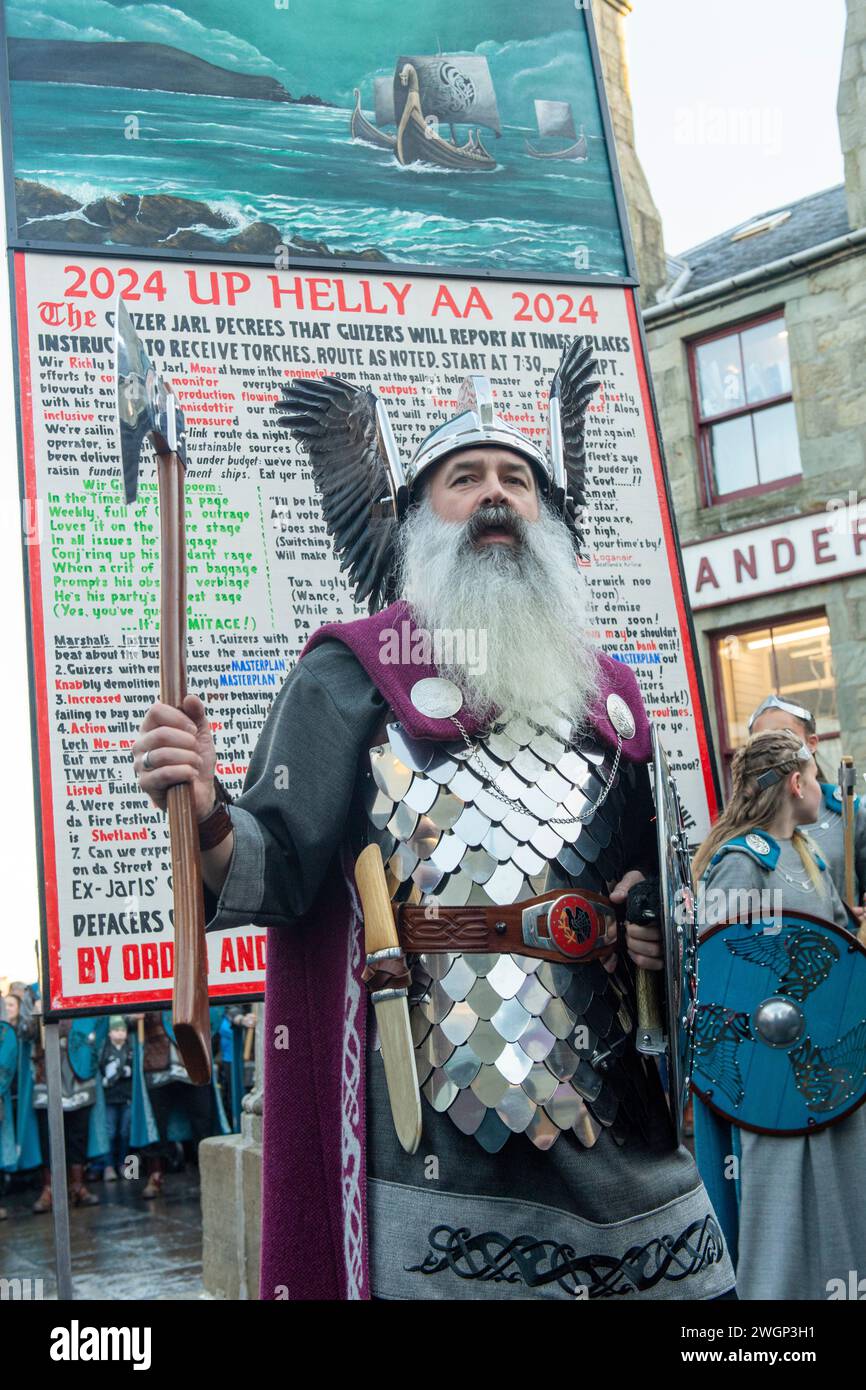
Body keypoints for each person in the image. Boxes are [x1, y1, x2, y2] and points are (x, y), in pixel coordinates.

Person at [132, 346, 735, 1301]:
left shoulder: (610, 697)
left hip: (618, 1114)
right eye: (465, 480)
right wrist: (205, 808)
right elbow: (276, 867)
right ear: (417, 520)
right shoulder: (351, 676)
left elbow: (649, 886)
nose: (496, 496)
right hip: (437, 1115)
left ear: (548, 516)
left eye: (516, 479)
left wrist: (652, 927)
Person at [692, 728, 866, 1299]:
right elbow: (719, 981)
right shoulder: (744, 863)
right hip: (772, 1082)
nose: (820, 789)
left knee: (839, 1211)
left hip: (826, 1068)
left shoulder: (804, 853)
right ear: (796, 783)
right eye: (814, 777)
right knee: (782, 1218)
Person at [748, 694, 866, 905]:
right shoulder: (743, 825)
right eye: (763, 740)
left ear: (811, 743)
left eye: (785, 736)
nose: (776, 748)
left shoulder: (849, 810)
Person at [100, 1016, 132, 1181]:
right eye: (116, 1030)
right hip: (109, 1098)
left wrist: (125, 1071)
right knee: (110, 1133)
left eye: (122, 1030)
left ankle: (126, 1166)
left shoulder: (130, 1048)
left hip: (127, 1097)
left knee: (126, 1132)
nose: (119, 1033)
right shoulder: (104, 1049)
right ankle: (108, 1166)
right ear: (109, 1032)